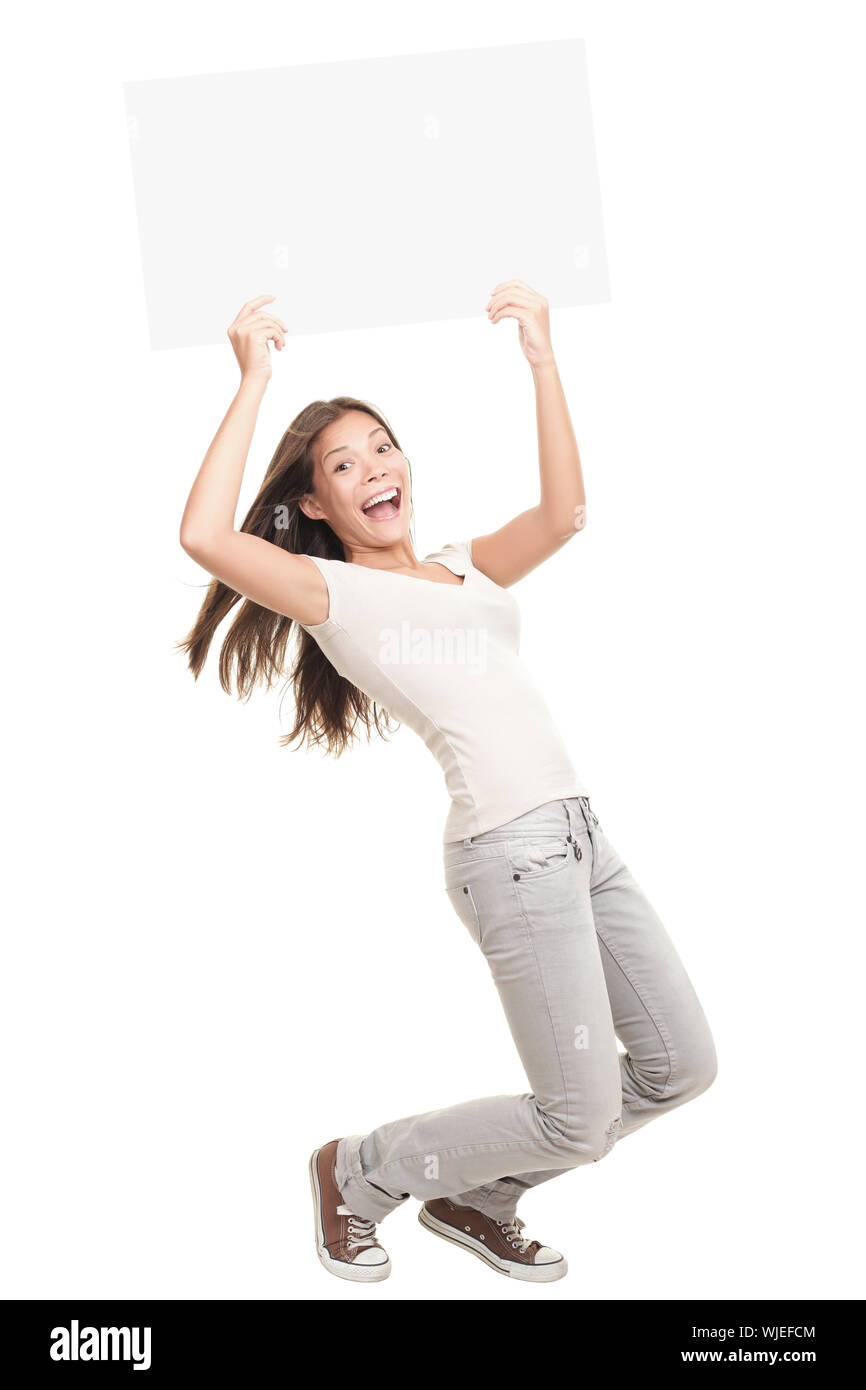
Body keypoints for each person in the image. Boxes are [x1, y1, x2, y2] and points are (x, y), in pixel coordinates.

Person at [178, 283, 717, 1285]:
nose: (371, 467)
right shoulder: (335, 592)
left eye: (379, 446)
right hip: (508, 857)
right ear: (315, 504)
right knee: (576, 1115)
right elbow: (207, 538)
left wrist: (542, 359)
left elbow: (565, 512)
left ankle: (478, 1191)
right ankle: (363, 1170)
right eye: (341, 464)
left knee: (680, 1067)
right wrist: (252, 381)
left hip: (580, 838)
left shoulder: (459, 567)